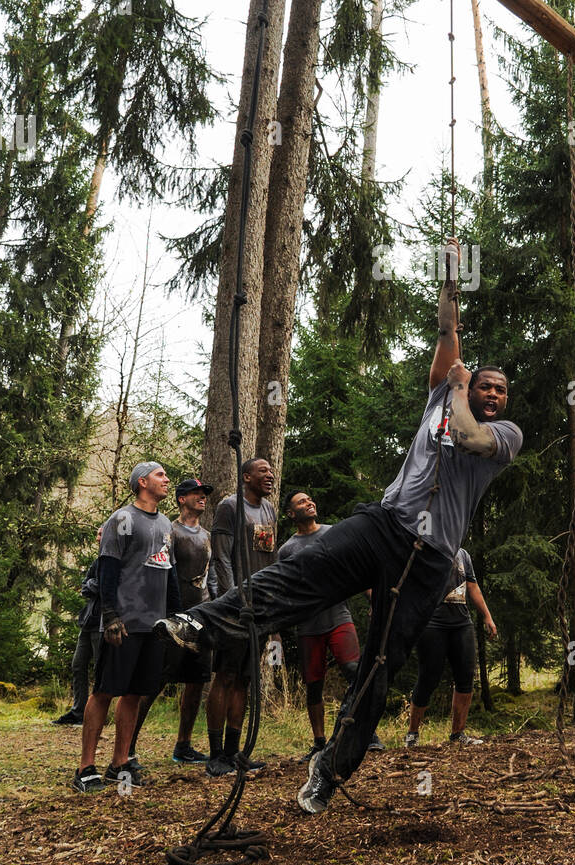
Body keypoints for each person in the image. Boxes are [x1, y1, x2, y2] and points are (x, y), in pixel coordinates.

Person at [159, 237, 522, 815]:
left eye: (501, 391)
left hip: (429, 560)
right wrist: (451, 282)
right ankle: (200, 625)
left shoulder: (503, 436)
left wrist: (460, 390)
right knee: (301, 571)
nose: (495, 395)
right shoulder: (439, 395)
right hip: (384, 526)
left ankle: (330, 769)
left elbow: (469, 435)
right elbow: (446, 335)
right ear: (470, 383)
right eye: (487, 386)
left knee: (379, 663)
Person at [72, 463, 179, 793]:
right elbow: (107, 570)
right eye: (160, 475)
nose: (166, 480)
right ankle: (85, 767)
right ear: (142, 482)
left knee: (133, 693)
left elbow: (169, 573)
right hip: (124, 623)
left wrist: (176, 618)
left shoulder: (164, 523)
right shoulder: (122, 519)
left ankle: (119, 763)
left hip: (153, 625)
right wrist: (111, 615)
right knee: (104, 691)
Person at [278, 489, 383, 762]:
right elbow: (286, 588)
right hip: (308, 625)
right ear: (291, 514)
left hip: (339, 616)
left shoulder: (333, 532)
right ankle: (319, 742)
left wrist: (375, 599)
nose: (309, 503)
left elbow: (355, 569)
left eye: (310, 499)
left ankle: (367, 732)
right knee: (314, 684)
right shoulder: (287, 549)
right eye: (302, 502)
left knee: (354, 671)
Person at [127, 478, 217, 766]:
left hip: (201, 616)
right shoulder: (171, 530)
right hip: (172, 617)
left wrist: (214, 606)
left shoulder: (206, 535)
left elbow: (210, 574)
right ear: (181, 499)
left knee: (196, 682)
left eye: (204, 494)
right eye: (196, 494)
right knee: (154, 682)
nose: (202, 497)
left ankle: (183, 746)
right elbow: (159, 568)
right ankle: (127, 747)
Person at [204, 458, 278, 777]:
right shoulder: (229, 506)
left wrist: (272, 601)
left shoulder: (270, 511)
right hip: (235, 607)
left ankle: (234, 753)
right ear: (246, 476)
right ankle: (216, 754)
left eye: (271, 471)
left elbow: (272, 558)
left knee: (245, 679)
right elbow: (221, 558)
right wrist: (232, 601)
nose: (270, 475)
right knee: (226, 675)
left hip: (260, 609)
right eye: (263, 471)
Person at [405, 547, 496, 748]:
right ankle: (412, 734)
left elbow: (473, 587)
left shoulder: (463, 554)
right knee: (428, 677)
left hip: (461, 623)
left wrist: (487, 616)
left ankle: (457, 734)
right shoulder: (424, 549)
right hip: (431, 624)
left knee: (465, 676)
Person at [53, 530, 103, 725]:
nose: (97, 537)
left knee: (101, 669)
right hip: (88, 621)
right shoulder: (97, 562)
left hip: (103, 623)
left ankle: (97, 714)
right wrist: (93, 585)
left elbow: (108, 587)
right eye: (97, 534)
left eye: (101, 534)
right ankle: (78, 712)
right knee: (78, 664)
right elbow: (85, 587)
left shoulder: (117, 560)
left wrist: (94, 585)